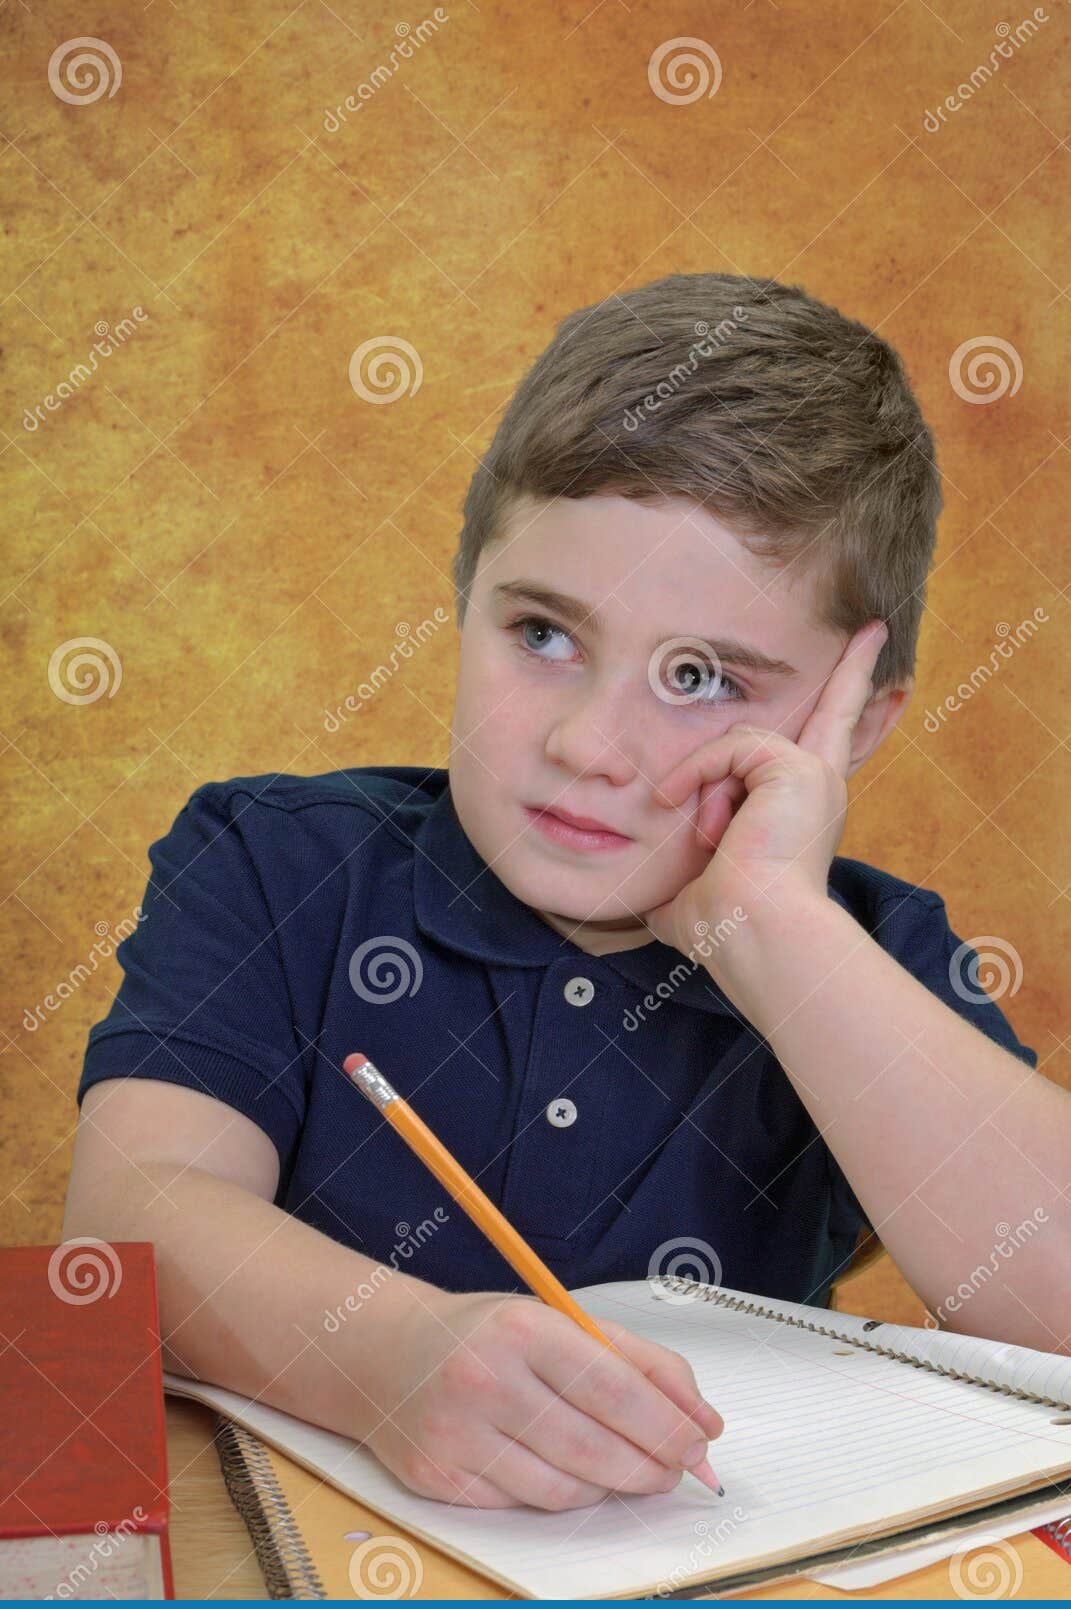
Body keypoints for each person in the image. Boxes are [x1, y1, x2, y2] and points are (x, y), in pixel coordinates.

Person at [64, 272, 1068, 1516]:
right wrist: (391, 1359)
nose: (593, 745)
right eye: (543, 633)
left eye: (700, 675)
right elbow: (130, 1228)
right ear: (465, 594)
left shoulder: (867, 956)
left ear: (848, 724)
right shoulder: (277, 861)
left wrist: (783, 940)